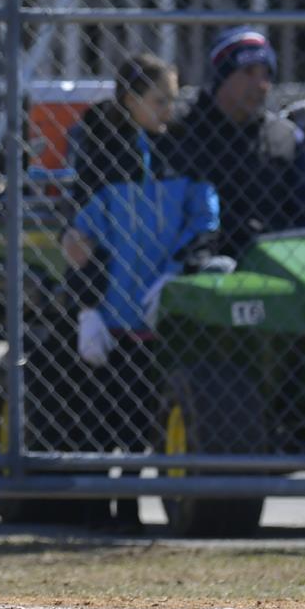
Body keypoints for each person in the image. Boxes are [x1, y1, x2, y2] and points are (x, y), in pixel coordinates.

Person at [60, 53, 221, 472]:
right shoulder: (102, 160)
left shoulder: (185, 151)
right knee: (103, 415)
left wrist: (175, 272)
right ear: (131, 100)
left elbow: (204, 219)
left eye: (173, 99)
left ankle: (130, 500)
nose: (170, 110)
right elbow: (82, 240)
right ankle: (102, 503)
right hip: (113, 313)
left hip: (157, 309)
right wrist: (88, 309)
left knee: (143, 417)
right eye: (159, 100)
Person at [162, 27, 305, 260]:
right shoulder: (179, 132)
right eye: (248, 72)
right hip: (193, 265)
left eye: (267, 74)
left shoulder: (283, 137)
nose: (260, 84)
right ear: (222, 77)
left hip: (273, 262)